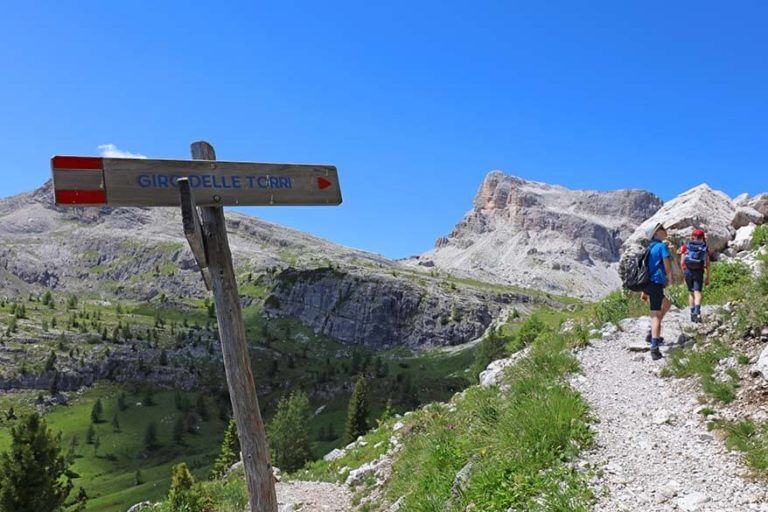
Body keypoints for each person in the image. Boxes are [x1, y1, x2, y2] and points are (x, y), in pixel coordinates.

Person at [643, 222, 673, 360]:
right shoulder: (661, 246)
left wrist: (644, 291)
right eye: (661, 229)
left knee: (666, 304)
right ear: (655, 233)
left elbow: (645, 269)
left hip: (649, 284)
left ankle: (652, 333)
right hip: (656, 283)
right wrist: (670, 279)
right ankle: (654, 347)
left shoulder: (648, 248)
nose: (664, 230)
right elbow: (667, 265)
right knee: (655, 315)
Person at [679, 228, 711, 323]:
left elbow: (682, 262)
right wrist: (708, 277)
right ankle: (697, 312)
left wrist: (684, 273)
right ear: (702, 237)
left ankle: (692, 313)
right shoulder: (704, 247)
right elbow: (708, 264)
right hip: (699, 271)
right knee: (697, 292)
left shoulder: (686, 246)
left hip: (688, 271)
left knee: (691, 292)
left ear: (692, 236)